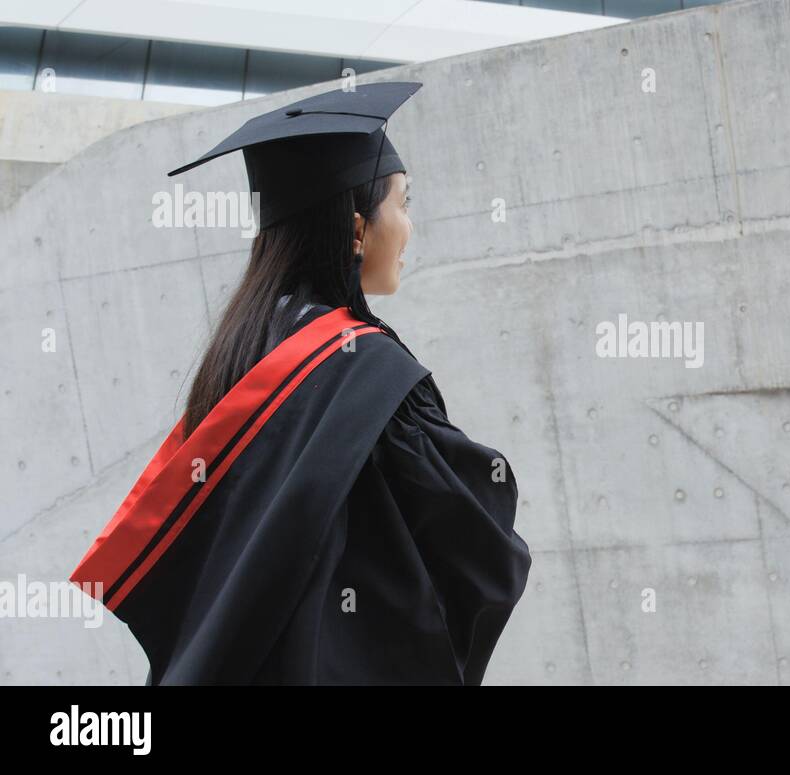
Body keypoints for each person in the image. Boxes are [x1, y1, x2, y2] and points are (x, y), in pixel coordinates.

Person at [69, 82, 531, 685]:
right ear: (359, 229)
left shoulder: (246, 349)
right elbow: (472, 545)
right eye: (405, 203)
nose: (411, 227)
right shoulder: (366, 368)